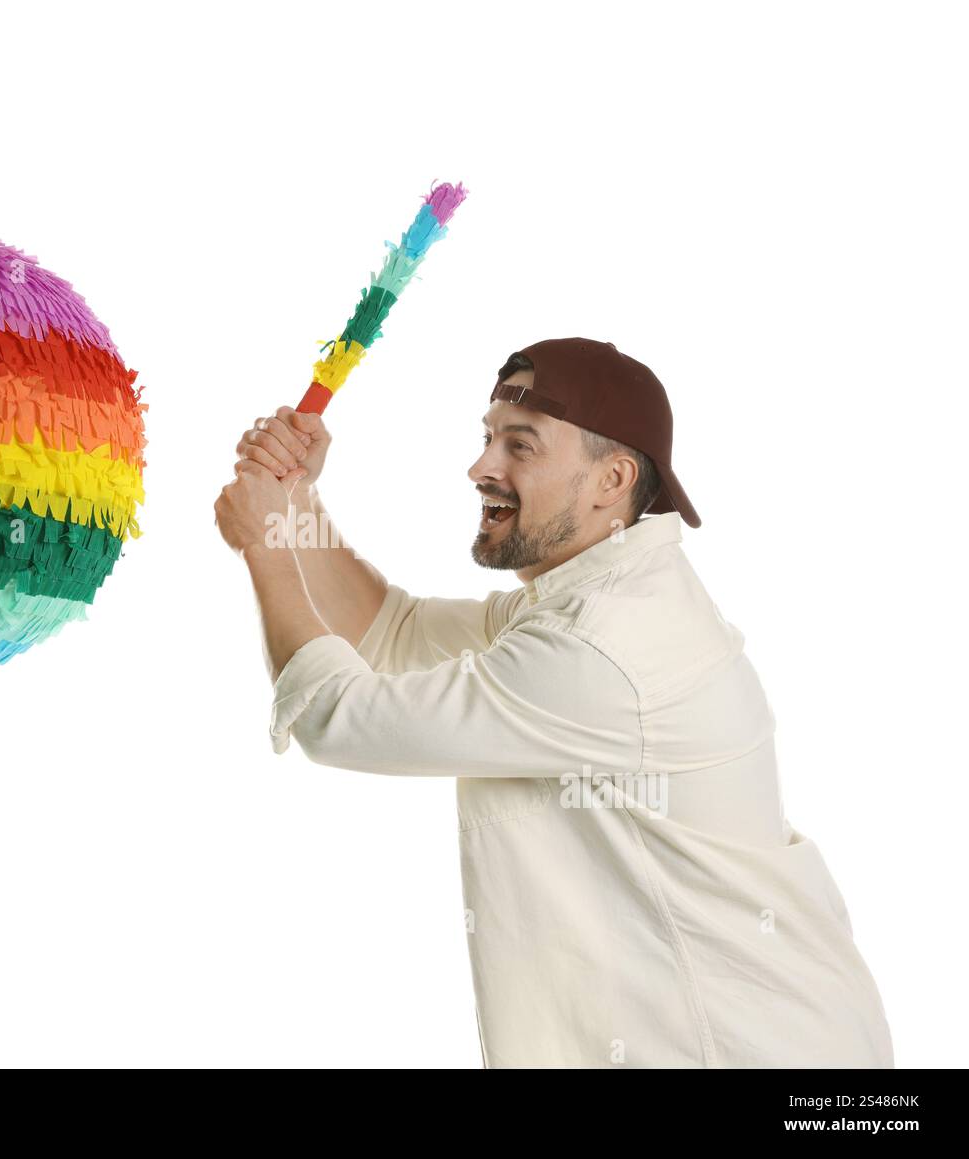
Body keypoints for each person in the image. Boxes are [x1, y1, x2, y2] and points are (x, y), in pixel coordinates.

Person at [213, 337, 894, 1068]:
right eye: (486, 438)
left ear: (613, 478)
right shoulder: (595, 595)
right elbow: (394, 633)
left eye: (520, 445)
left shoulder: (602, 649)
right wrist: (293, 503)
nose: (481, 467)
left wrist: (266, 544)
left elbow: (335, 718)